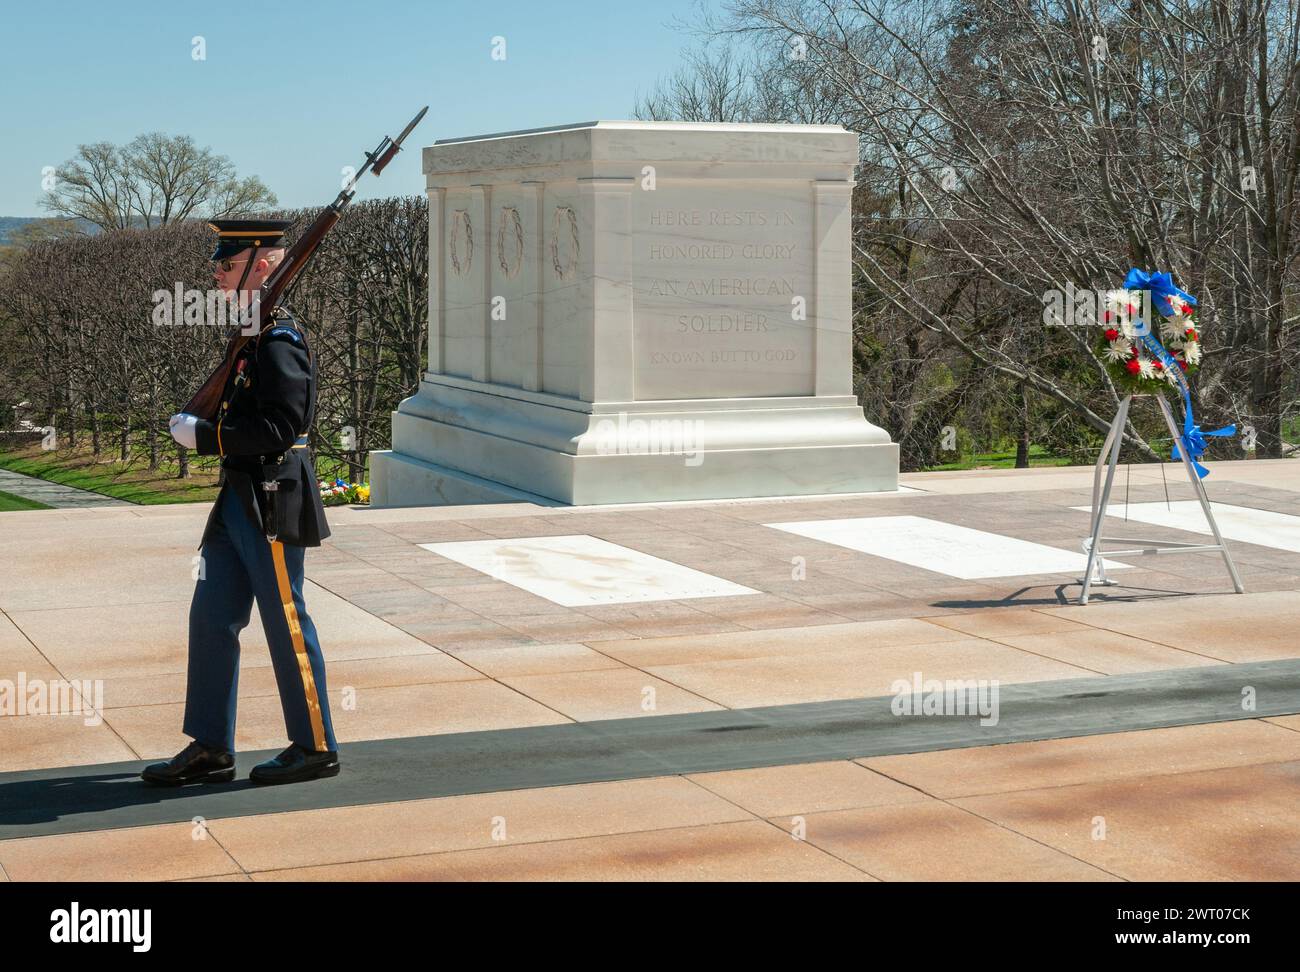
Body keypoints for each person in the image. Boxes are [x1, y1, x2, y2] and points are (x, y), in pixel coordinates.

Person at [141, 219, 339, 786]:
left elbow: (283, 426)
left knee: (286, 621)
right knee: (211, 616)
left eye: (228, 266)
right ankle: (210, 744)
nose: (218, 275)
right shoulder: (253, 334)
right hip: (237, 499)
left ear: (265, 265)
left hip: (273, 499)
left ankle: (315, 744)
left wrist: (207, 439)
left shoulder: (281, 341)